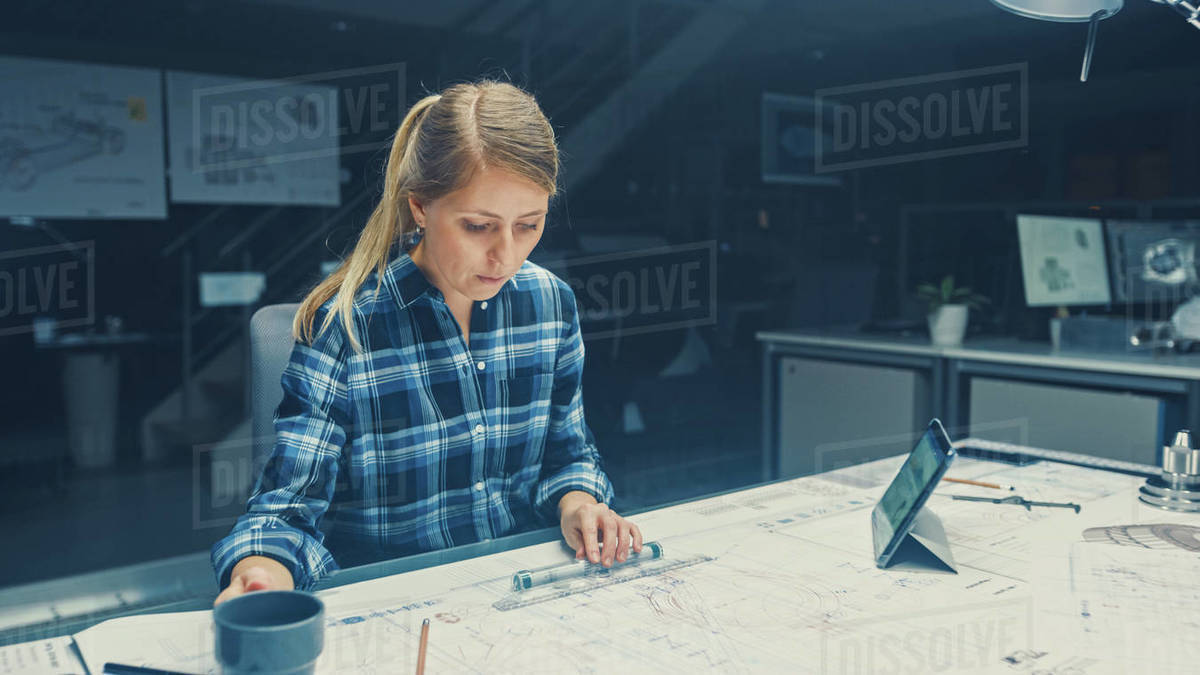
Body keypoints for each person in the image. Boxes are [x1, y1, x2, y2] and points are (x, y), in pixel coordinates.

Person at [212, 81, 643, 605]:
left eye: (529, 226)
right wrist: (262, 575)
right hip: (395, 605)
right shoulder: (345, 328)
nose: (505, 256)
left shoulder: (550, 304)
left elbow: (568, 453)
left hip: (519, 592)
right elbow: (285, 514)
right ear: (420, 207)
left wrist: (578, 503)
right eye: (479, 226)